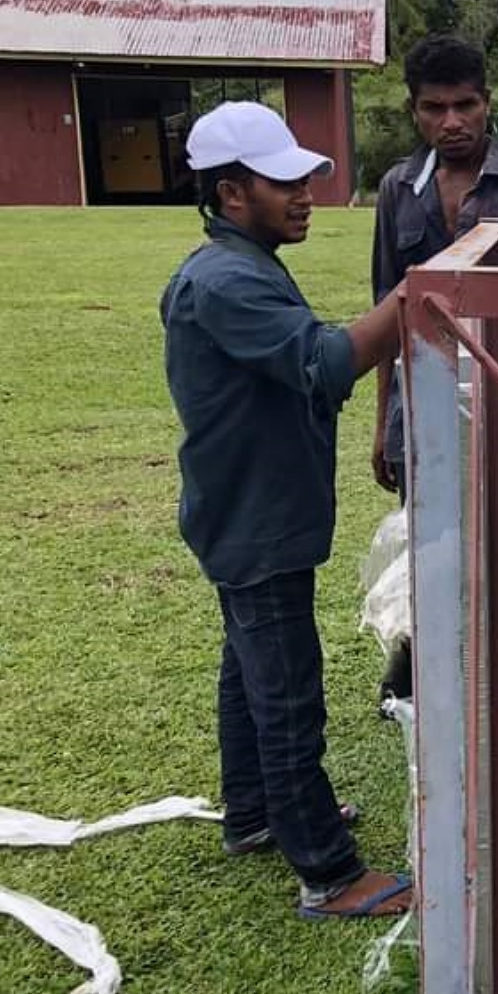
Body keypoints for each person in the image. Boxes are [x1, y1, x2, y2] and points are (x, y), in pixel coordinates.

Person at [160, 102, 411, 919]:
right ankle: (328, 874)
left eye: (304, 180)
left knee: (249, 671)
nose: (305, 196)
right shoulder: (227, 280)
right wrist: (412, 298)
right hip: (256, 518)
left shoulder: (242, 263)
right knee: (286, 692)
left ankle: (253, 815)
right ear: (231, 193)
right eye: (285, 184)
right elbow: (325, 363)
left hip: (251, 510)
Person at [369, 33, 498, 700]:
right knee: (429, 543)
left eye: (465, 105)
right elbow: (388, 312)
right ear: (414, 111)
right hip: (422, 408)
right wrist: (384, 426)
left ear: (488, 102)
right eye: (434, 108)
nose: (451, 122)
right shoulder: (398, 189)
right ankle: (420, 665)